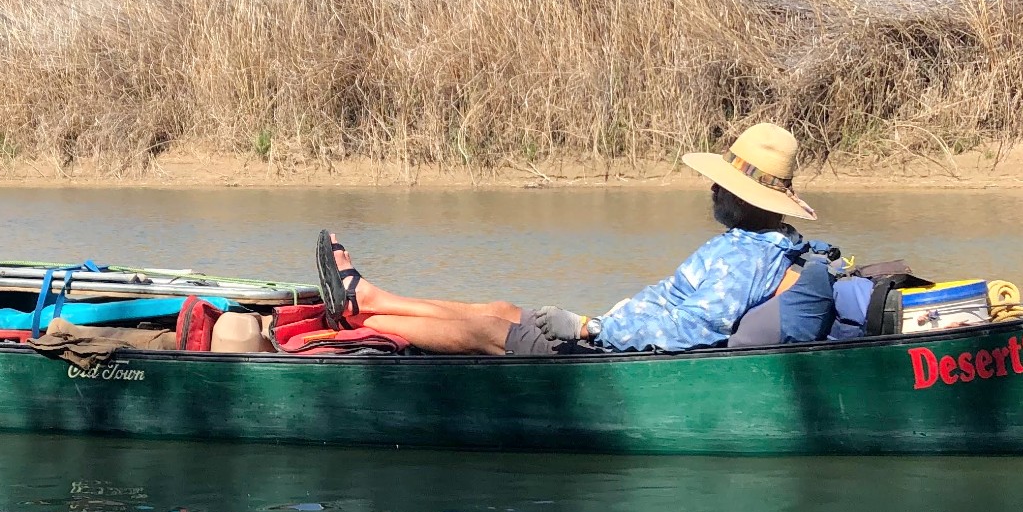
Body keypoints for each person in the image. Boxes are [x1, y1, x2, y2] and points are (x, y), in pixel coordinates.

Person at [315, 123, 828, 356]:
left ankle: (358, 322)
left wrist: (589, 327)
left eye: (726, 185)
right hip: (613, 336)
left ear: (751, 199)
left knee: (489, 331)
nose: (713, 188)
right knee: (502, 308)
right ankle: (370, 300)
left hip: (615, 355)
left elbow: (689, 329)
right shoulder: (758, 241)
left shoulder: (746, 259)